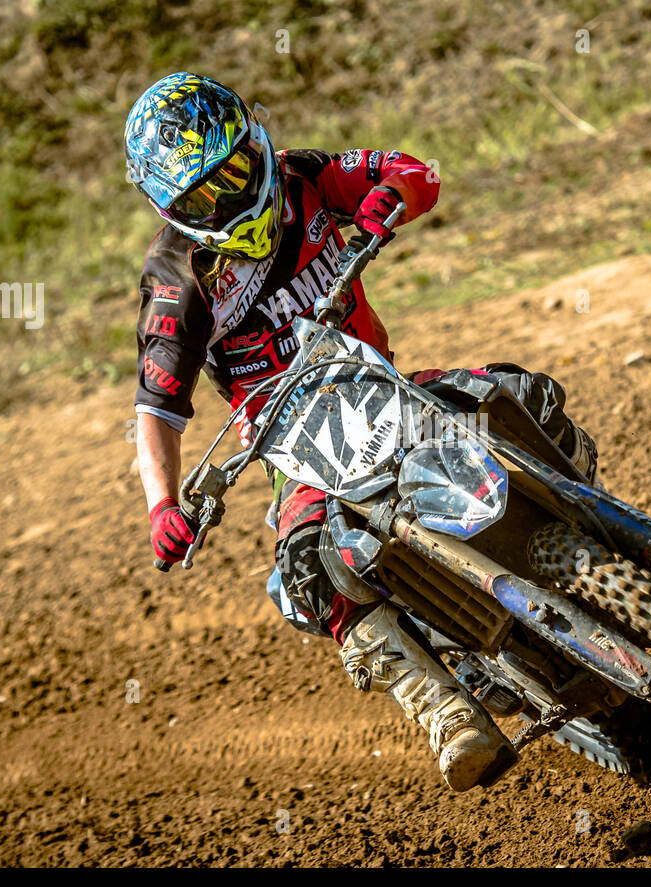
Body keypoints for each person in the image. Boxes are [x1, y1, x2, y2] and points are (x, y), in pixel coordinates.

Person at [124, 73, 598, 791]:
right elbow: (156, 408)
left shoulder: (300, 179)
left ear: (255, 141)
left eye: (236, 170)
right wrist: (163, 506)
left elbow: (411, 172)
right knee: (309, 568)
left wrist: (393, 198)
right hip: (295, 445)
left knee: (520, 394)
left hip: (385, 384)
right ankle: (446, 712)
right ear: (172, 208)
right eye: (203, 193)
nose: (228, 195)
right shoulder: (176, 280)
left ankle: (607, 534)